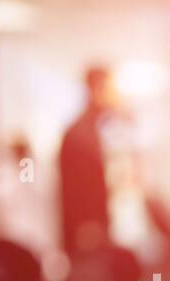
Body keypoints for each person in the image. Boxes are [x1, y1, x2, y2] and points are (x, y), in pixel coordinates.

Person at [58, 65, 115, 256]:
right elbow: (76, 191)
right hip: (88, 235)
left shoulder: (97, 130)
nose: (115, 95)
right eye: (110, 88)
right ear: (97, 89)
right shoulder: (80, 134)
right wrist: (88, 229)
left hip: (95, 232)